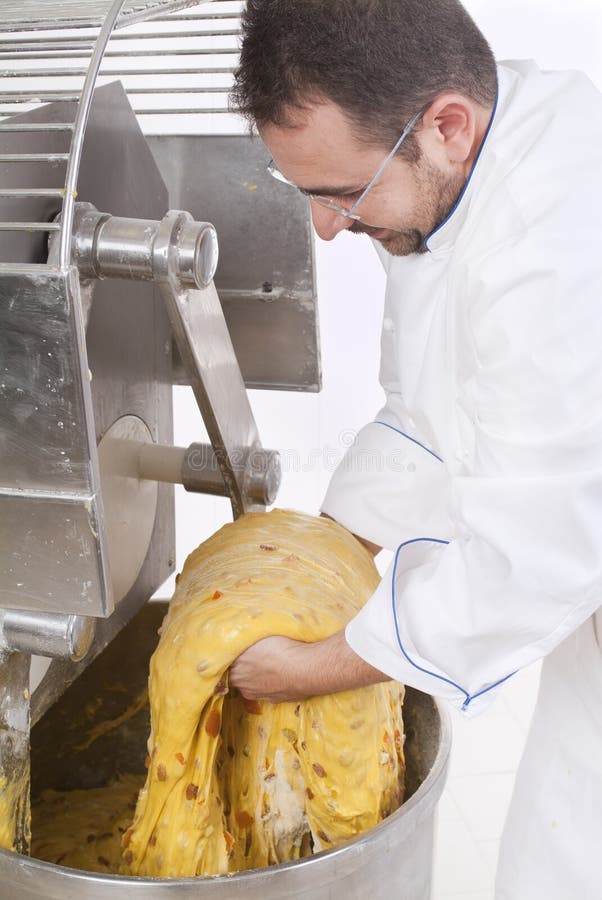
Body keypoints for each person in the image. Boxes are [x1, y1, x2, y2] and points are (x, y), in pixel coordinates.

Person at [227, 2, 602, 897]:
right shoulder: (449, 171)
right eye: (306, 193)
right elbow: (429, 412)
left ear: (447, 125)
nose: (326, 228)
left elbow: (532, 559)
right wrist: (326, 555)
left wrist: (310, 668)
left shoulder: (555, 250)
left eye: (341, 195)